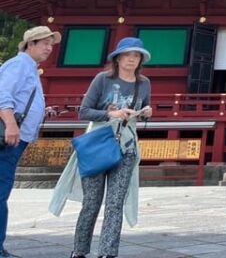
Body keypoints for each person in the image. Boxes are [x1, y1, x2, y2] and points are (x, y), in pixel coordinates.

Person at [51, 37, 153, 258]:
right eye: (127, 55)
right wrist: (111, 113)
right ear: (117, 58)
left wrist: (146, 112)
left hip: (126, 146)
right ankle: (79, 250)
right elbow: (84, 111)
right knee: (91, 202)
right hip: (98, 145)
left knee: (115, 203)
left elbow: (143, 107)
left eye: (136, 56)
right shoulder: (102, 79)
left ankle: (108, 252)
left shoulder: (143, 83)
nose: (131, 59)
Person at [0, 26, 61, 258]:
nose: (49, 48)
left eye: (51, 44)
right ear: (30, 44)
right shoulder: (18, 65)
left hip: (17, 136)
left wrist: (43, 111)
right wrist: (10, 124)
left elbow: (22, 99)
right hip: (8, 137)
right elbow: (2, 94)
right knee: (0, 190)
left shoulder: (30, 68)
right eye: (44, 43)